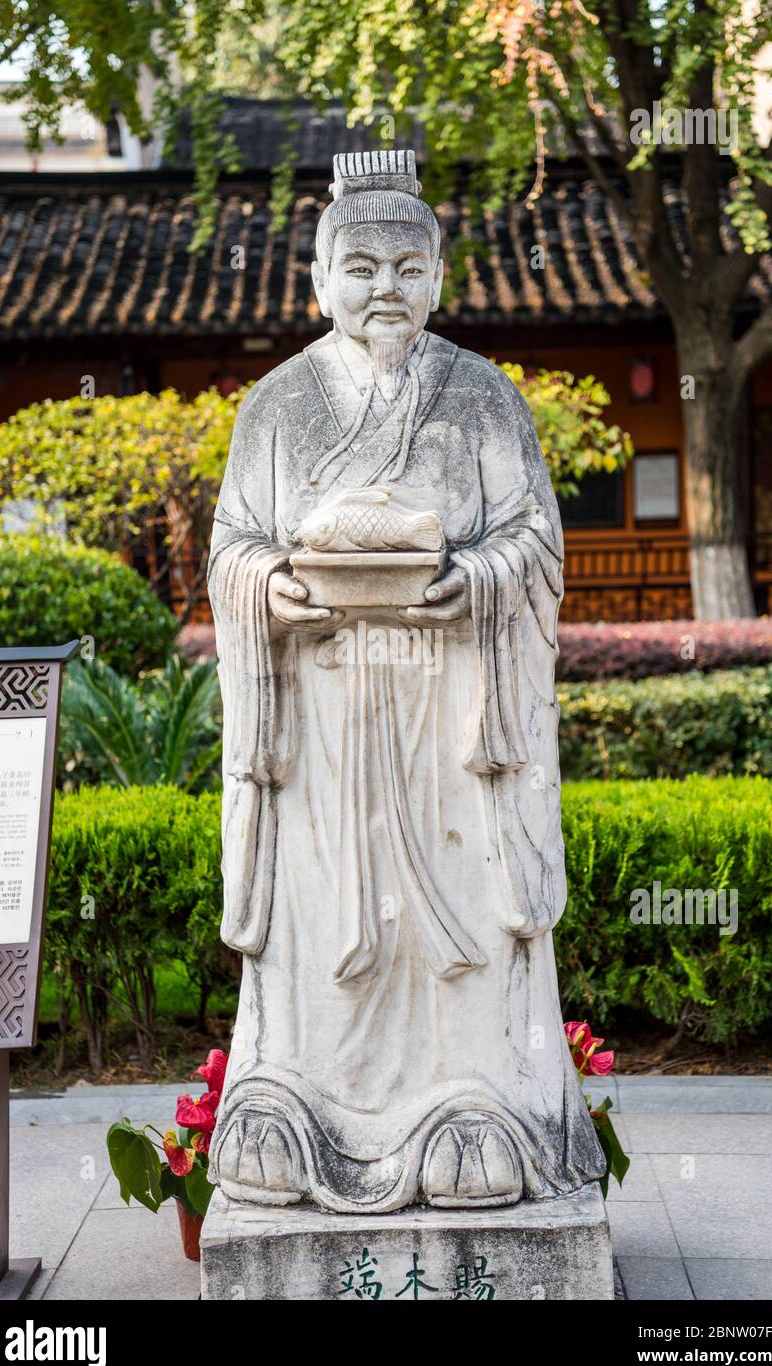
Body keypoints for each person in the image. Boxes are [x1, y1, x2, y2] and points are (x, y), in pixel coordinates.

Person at [207, 149, 604, 1214]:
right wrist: (271, 593)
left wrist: (473, 579)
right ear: (319, 279)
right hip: (324, 711)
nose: (387, 289)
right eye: (362, 266)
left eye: (408, 266)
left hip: (452, 713)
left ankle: (478, 1100)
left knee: (457, 920)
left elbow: (539, 543)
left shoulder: (482, 399)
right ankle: (297, 1102)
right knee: (326, 907)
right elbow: (233, 549)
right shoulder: (277, 408)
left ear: (440, 275)